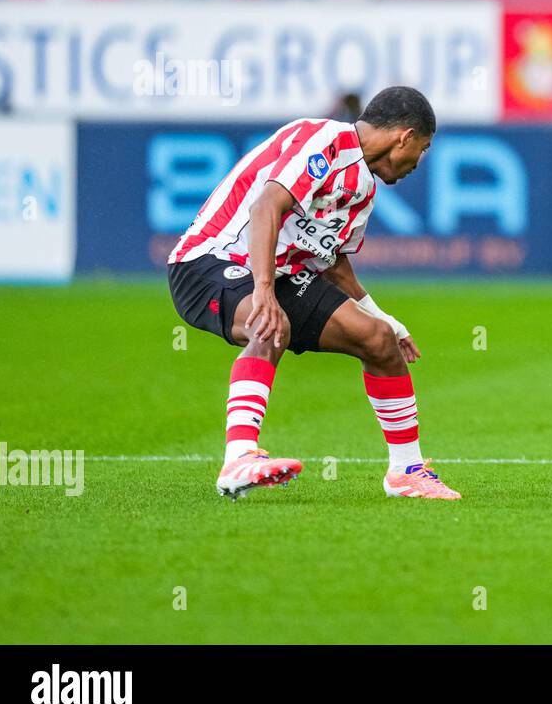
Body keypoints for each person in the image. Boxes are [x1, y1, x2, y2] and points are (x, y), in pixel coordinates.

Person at [166, 86, 461, 501]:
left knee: (376, 340)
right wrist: (264, 291)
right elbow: (266, 207)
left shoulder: (364, 189)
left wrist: (383, 318)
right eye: (424, 149)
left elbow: (331, 262)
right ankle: (239, 457)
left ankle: (405, 472)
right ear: (405, 137)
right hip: (207, 261)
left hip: (277, 272)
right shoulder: (323, 140)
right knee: (270, 324)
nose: (419, 161)